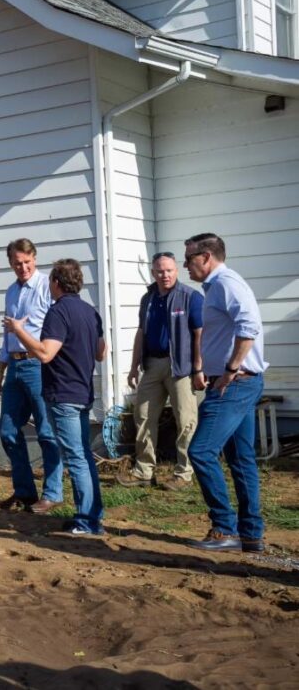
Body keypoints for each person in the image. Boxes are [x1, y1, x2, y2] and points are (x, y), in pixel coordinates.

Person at [4, 259, 108, 535]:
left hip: (64, 394)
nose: (49, 286)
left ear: (57, 284)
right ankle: (93, 515)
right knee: (83, 455)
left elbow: (45, 353)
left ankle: (87, 520)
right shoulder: (90, 312)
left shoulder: (58, 312)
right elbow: (101, 353)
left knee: (76, 458)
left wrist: (19, 330)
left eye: (50, 281)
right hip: (84, 392)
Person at [181, 234, 267, 553]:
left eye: (189, 258)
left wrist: (229, 370)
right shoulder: (217, 286)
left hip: (234, 383)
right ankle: (251, 535)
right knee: (241, 460)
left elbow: (250, 327)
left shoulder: (227, 284)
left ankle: (224, 528)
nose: (185, 264)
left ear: (206, 257)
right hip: (238, 381)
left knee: (201, 451)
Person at [117, 252, 203, 490]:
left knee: (185, 419)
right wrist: (134, 366)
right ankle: (144, 471)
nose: (164, 275)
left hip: (181, 368)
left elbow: (199, 334)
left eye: (169, 270)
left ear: (176, 270)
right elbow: (141, 332)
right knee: (143, 416)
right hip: (152, 365)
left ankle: (184, 473)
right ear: (153, 273)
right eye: (160, 271)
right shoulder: (148, 298)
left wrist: (198, 368)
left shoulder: (190, 297)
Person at [0, 239, 62, 513]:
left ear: (35, 258)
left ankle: (53, 493)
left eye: (27, 262)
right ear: (10, 263)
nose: (22, 267)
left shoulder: (47, 286)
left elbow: (58, 326)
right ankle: (24, 492)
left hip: (39, 365)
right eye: (17, 263)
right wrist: (0, 368)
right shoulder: (11, 292)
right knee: (8, 431)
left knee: (47, 431)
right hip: (15, 366)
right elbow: (7, 333)